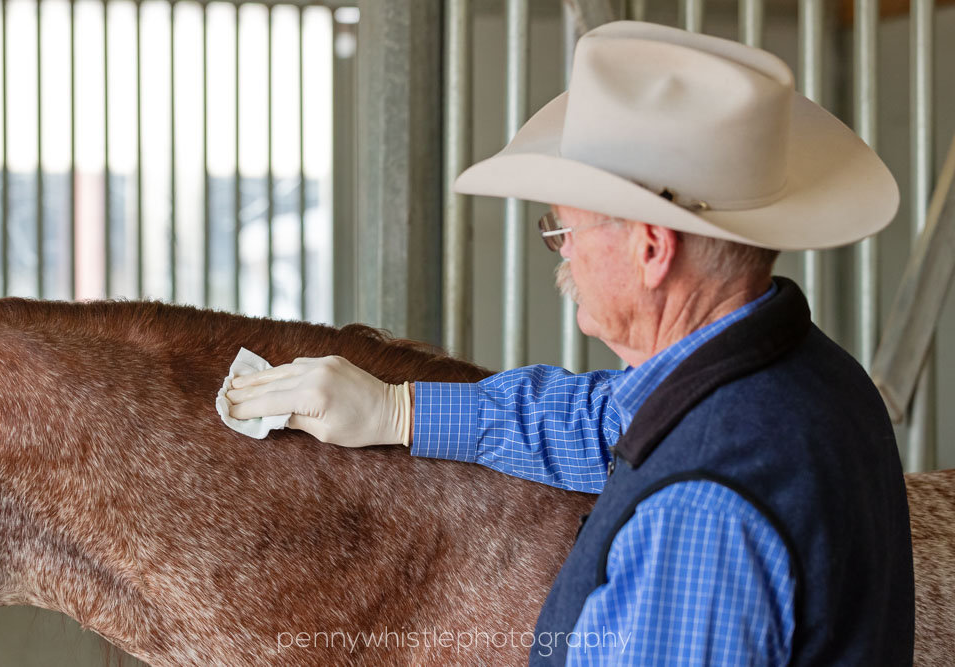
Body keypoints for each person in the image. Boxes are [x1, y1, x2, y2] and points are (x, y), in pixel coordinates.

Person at [226, 21, 914, 666]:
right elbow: (611, 417)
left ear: (651, 248)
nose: (560, 262)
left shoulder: (697, 511)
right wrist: (398, 410)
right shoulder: (807, 377)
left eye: (565, 232)